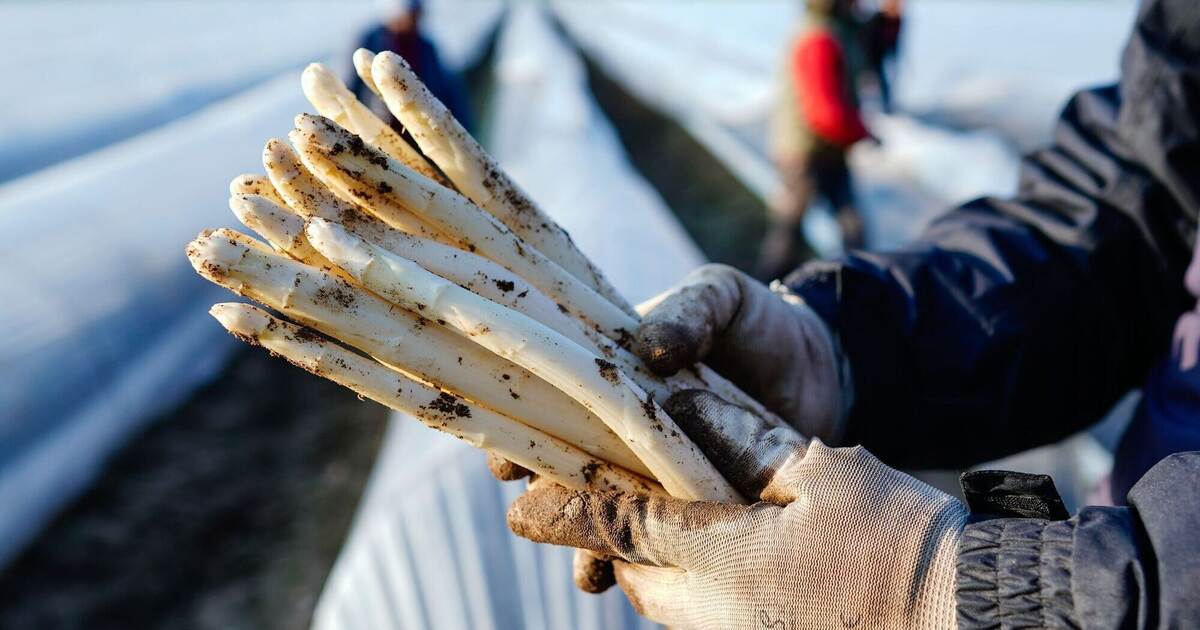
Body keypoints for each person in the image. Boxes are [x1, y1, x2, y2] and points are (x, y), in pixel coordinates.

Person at [504, 0, 1200, 627]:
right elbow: (1134, 212)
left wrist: (1019, 592)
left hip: (1115, 574)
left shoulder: (830, 38)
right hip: (1126, 510)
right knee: (812, 212)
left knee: (819, 211)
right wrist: (851, 347)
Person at [761, 0, 871, 281]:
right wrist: (861, 132)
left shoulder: (839, 30)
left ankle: (859, 291)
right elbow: (825, 113)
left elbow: (875, 41)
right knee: (789, 234)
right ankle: (761, 298)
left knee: (852, 228)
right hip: (804, 154)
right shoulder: (819, 38)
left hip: (825, 150)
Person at [349, 0, 474, 133]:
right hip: (379, 128)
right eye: (410, 14)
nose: (414, 20)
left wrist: (464, 126)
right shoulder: (369, 40)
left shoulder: (427, 48)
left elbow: (446, 88)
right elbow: (350, 85)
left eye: (416, 14)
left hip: (417, 132)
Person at [863, 0, 903, 112]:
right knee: (875, 83)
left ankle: (886, 107)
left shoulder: (898, 20)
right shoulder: (877, 20)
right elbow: (867, 42)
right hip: (872, 56)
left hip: (884, 55)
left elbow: (894, 41)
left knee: (886, 82)